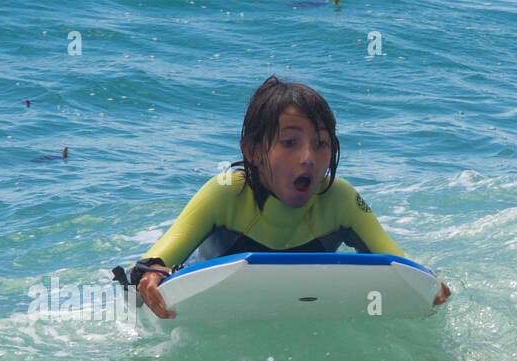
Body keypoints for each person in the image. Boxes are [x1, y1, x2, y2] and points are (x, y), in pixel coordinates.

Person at [130, 75, 451, 319]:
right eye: (290, 143)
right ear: (253, 151)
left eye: (322, 144)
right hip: (221, 313)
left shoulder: (339, 199)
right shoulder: (225, 192)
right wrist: (150, 279)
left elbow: (405, 268)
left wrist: (430, 288)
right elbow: (149, 265)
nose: (309, 157)